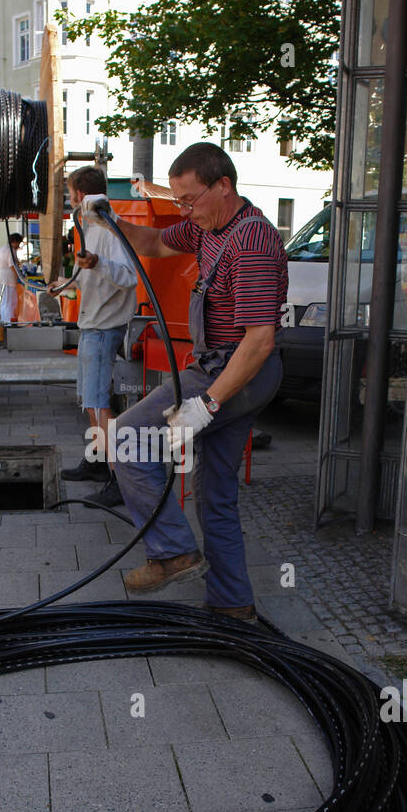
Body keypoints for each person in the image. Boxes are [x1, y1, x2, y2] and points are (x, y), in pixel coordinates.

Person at [110, 142, 288, 620]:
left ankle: (171, 553)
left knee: (127, 436)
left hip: (237, 372)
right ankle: (233, 605)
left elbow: (259, 341)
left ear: (223, 185)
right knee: (215, 494)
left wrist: (205, 404)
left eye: (189, 199)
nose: (184, 210)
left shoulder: (250, 242)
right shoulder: (208, 226)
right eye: (179, 202)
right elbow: (152, 244)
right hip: (225, 369)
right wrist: (107, 218)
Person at [48, 166, 137, 509]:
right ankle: (99, 462)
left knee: (99, 403)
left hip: (104, 326)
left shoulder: (108, 225)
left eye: (71, 194)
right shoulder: (91, 226)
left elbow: (129, 278)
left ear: (81, 195)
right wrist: (66, 288)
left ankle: (120, 478)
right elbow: (89, 276)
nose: (70, 201)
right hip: (93, 323)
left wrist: (97, 264)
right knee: (90, 398)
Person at [0, 231, 23, 325]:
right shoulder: (11, 250)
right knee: (9, 303)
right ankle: (9, 323)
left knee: (3, 303)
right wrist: (20, 277)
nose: (19, 246)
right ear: (14, 241)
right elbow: (12, 266)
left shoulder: (1, 249)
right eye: (19, 243)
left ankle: (5, 322)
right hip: (8, 281)